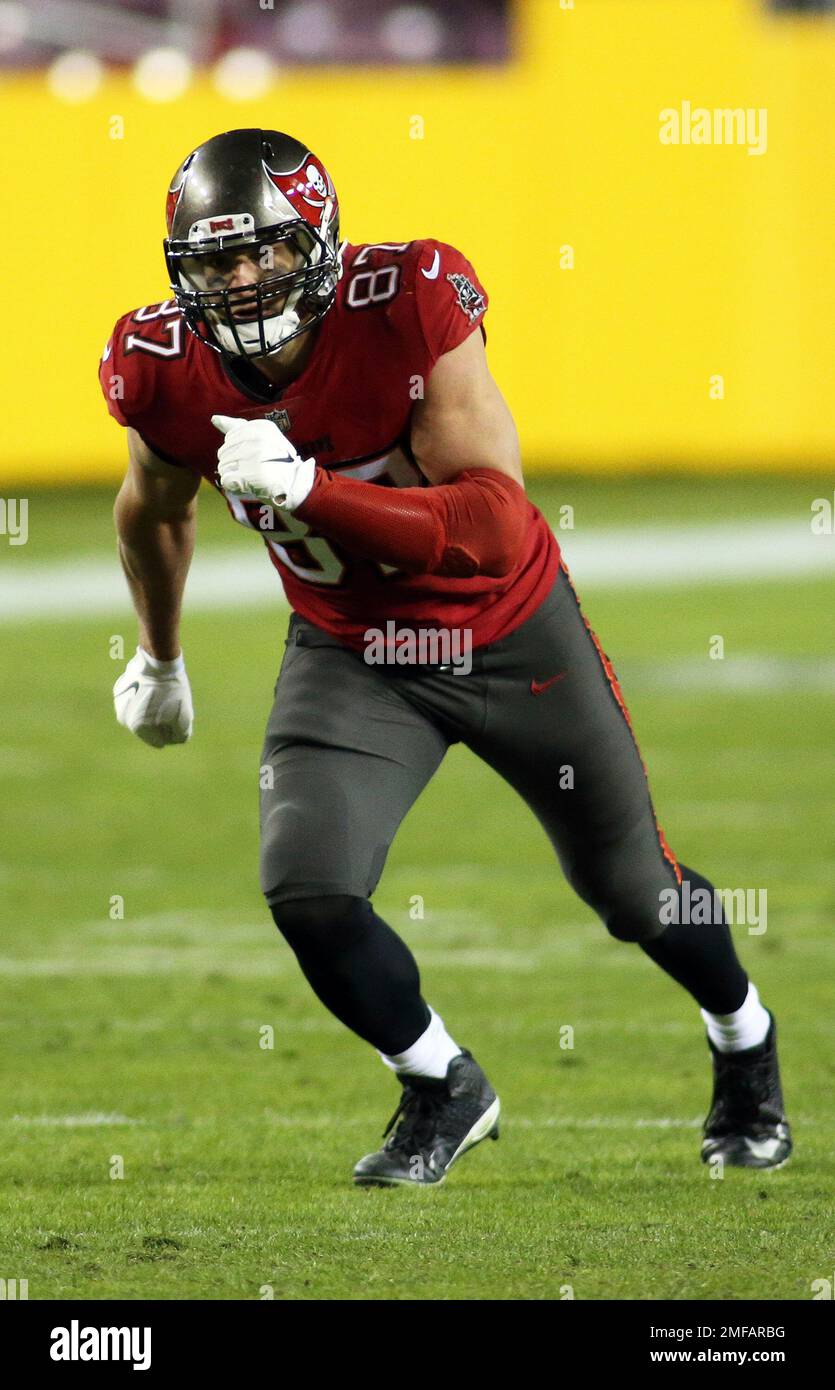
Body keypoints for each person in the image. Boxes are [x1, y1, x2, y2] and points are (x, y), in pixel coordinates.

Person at [101, 128, 791, 1186]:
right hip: (354, 653)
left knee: (633, 891)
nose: (240, 281)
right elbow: (152, 510)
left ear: (321, 242)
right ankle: (440, 1084)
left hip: (510, 629)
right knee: (309, 887)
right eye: (214, 261)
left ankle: (743, 1036)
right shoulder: (159, 369)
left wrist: (312, 491)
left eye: (266, 251)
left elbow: (496, 523)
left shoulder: (409, 298)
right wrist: (160, 657)